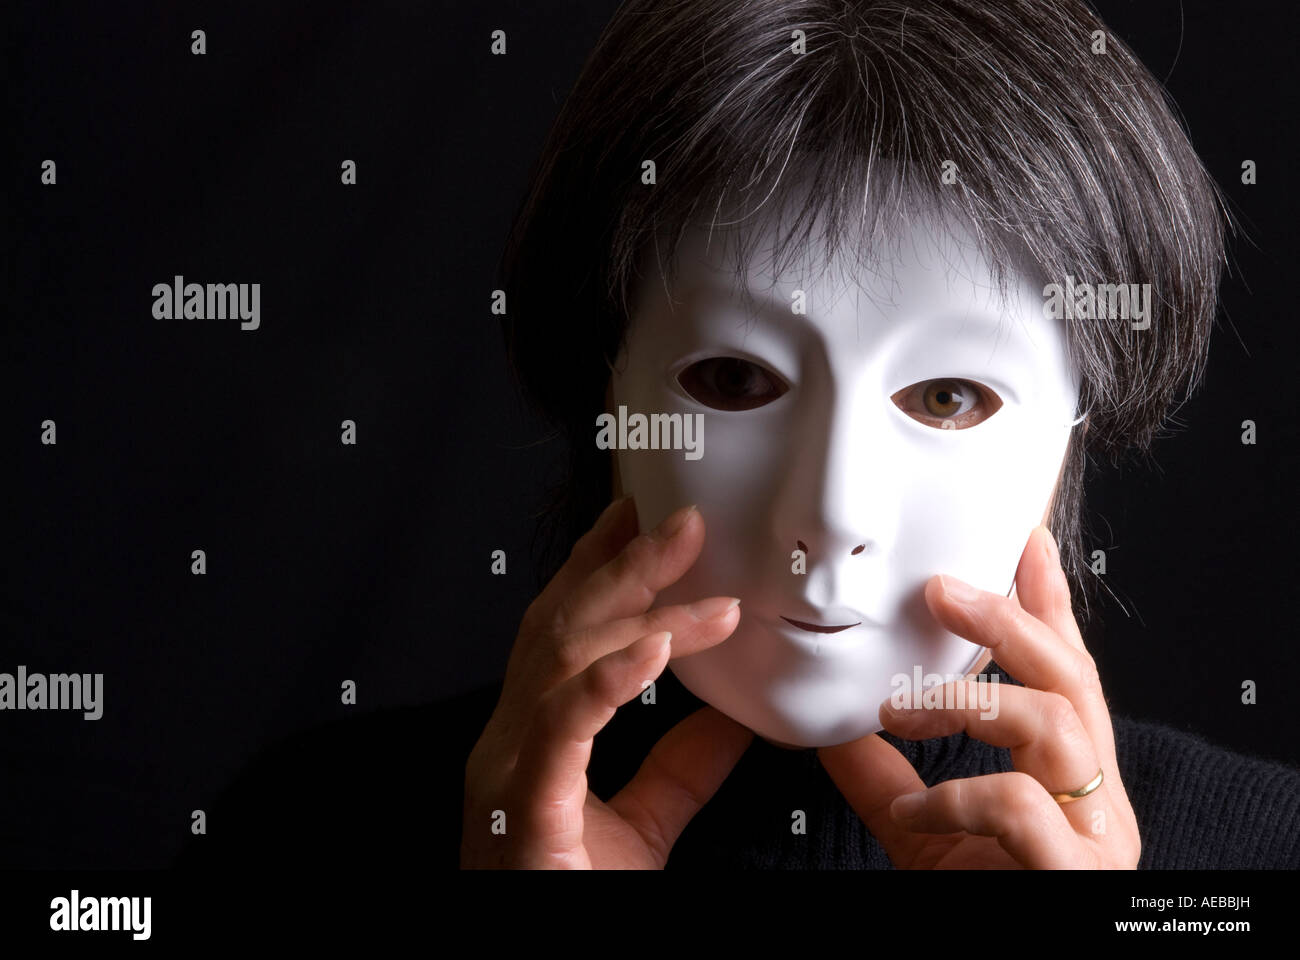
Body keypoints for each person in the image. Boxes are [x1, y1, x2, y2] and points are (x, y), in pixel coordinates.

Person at [177, 0, 1300, 871]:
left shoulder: (1257, 854)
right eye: (731, 377)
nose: (831, 515)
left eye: (948, 397)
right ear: (602, 382)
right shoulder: (310, 833)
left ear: (1077, 424)